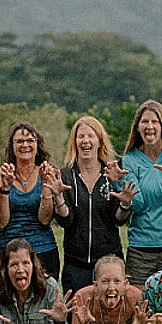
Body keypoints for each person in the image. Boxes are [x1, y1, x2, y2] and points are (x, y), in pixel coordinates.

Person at [112, 100, 162, 288]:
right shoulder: (130, 159)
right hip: (141, 248)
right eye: (144, 122)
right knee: (140, 307)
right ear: (137, 127)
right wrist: (119, 184)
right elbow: (138, 204)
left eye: (154, 122)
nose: (149, 126)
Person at [55, 115, 135, 296]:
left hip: (109, 263)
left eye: (90, 136)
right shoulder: (66, 176)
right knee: (76, 316)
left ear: (100, 141)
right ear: (74, 142)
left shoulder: (112, 173)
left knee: (110, 316)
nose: (85, 141)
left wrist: (125, 204)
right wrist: (58, 198)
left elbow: (118, 220)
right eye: (80, 136)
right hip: (76, 263)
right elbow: (66, 220)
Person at [0, 122, 61, 279]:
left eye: (30, 140)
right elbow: (1, 222)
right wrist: (5, 189)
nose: (25, 145)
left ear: (37, 145)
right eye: (20, 141)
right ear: (12, 146)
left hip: (43, 249)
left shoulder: (49, 172)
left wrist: (45, 185)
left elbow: (45, 220)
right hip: (8, 250)